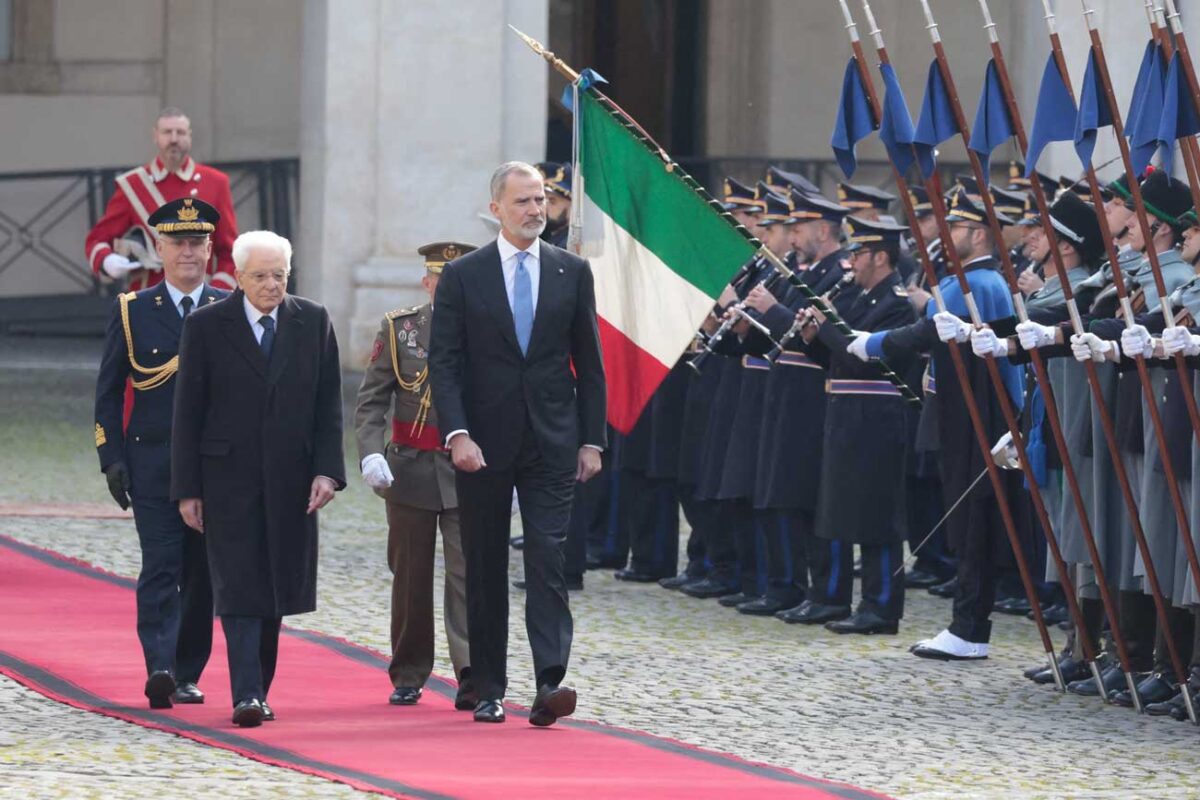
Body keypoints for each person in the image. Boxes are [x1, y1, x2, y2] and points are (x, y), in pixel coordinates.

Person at [427, 161, 606, 726]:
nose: (535, 209)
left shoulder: (570, 271)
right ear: (497, 208)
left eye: (541, 200)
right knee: (483, 564)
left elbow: (591, 364)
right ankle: (488, 685)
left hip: (553, 440)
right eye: (524, 201)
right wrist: (456, 433)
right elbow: (445, 363)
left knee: (548, 557)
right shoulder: (464, 275)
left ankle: (550, 681)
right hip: (482, 442)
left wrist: (592, 440)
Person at [171, 229, 345, 727]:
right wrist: (187, 489)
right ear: (239, 277)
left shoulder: (311, 320)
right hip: (226, 477)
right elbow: (188, 413)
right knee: (238, 584)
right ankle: (246, 693)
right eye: (261, 276)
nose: (272, 285)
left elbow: (327, 405)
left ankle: (259, 688)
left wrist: (328, 472)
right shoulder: (207, 325)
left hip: (292, 478)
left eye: (280, 276)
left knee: (274, 587)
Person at [93, 197, 225, 709]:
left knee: (201, 573)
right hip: (151, 461)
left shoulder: (228, 309)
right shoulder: (131, 311)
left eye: (197, 243)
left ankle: (189, 669)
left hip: (212, 467)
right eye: (177, 243)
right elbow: (107, 391)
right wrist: (111, 458)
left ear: (210, 248)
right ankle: (161, 666)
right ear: (159, 249)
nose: (188, 253)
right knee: (160, 565)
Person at [354, 241, 476, 709]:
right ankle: (408, 672)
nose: (446, 288)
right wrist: (369, 453)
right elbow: (371, 400)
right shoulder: (401, 328)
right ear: (427, 282)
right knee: (410, 577)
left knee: (469, 576)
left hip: (466, 469)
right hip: (408, 467)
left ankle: (471, 673)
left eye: (455, 280)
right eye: (439, 280)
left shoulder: (486, 331)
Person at [800, 216, 919, 634]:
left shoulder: (897, 302)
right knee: (842, 510)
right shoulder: (858, 297)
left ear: (882, 257)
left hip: (877, 421)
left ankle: (881, 607)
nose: (852, 261)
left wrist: (828, 328)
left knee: (877, 519)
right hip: (845, 417)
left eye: (861, 253)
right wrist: (812, 336)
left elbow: (861, 356)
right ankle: (834, 599)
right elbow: (834, 360)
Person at [86, 107, 238, 292]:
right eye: (167, 132)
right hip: (150, 298)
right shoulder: (133, 185)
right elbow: (97, 239)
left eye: (180, 132)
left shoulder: (215, 182)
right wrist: (106, 260)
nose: (174, 139)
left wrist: (216, 293)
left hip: (199, 298)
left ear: (189, 136)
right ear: (155, 136)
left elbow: (228, 252)